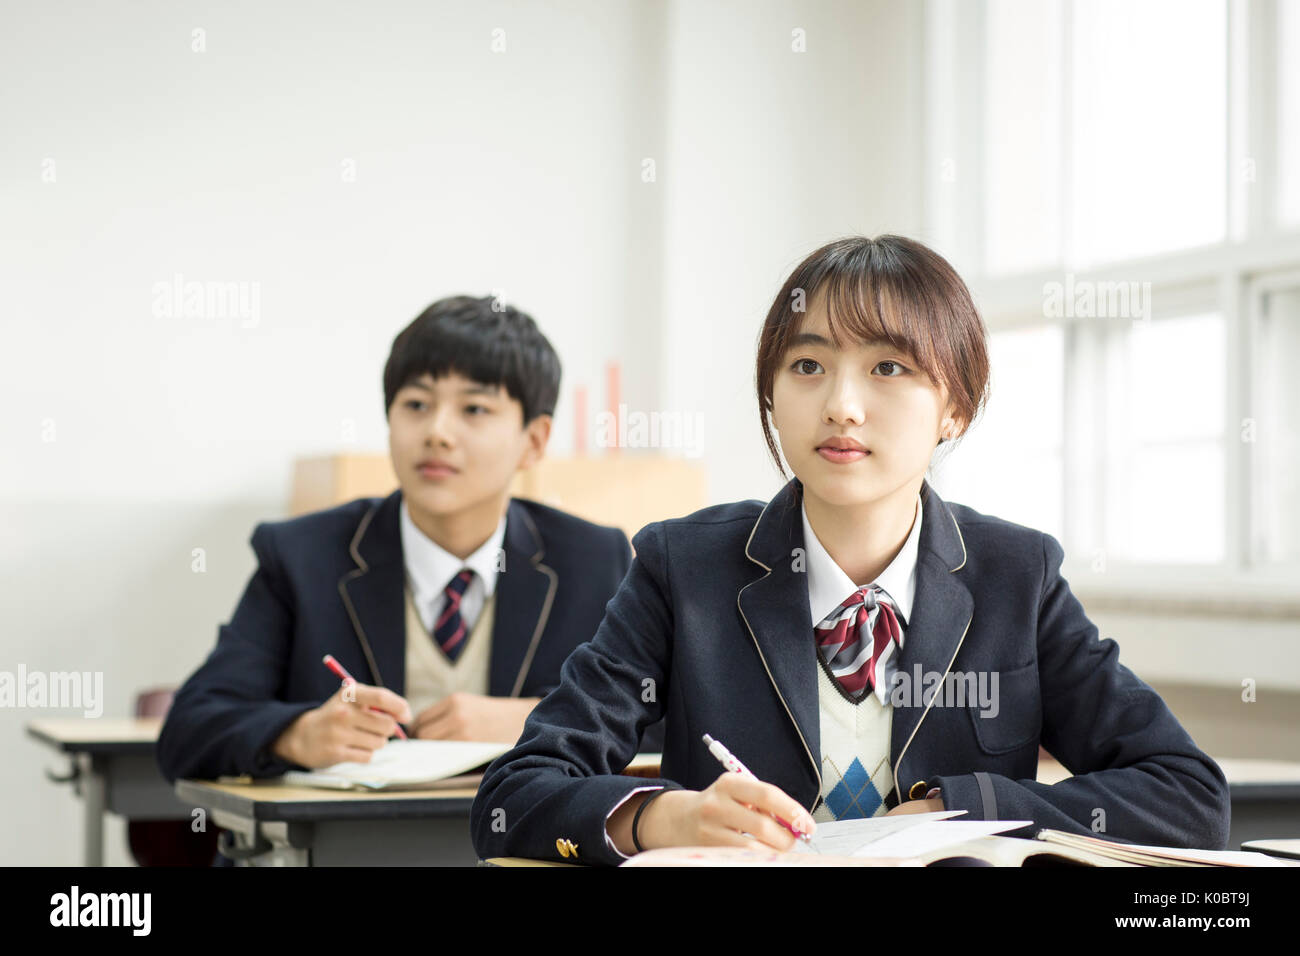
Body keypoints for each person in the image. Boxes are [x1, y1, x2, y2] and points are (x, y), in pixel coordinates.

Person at [469, 236, 1230, 865]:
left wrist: (971, 806)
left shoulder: (1016, 577)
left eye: (888, 368)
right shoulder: (682, 568)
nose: (841, 404)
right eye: (807, 366)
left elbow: (1188, 795)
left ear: (954, 409)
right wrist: (665, 818)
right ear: (772, 393)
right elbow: (515, 795)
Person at [158, 295, 657, 782]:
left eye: (475, 409)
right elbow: (191, 728)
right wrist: (296, 735)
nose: (437, 432)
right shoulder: (302, 555)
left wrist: (530, 721)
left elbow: (670, 727)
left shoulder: (592, 560)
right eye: (416, 404)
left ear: (534, 441)